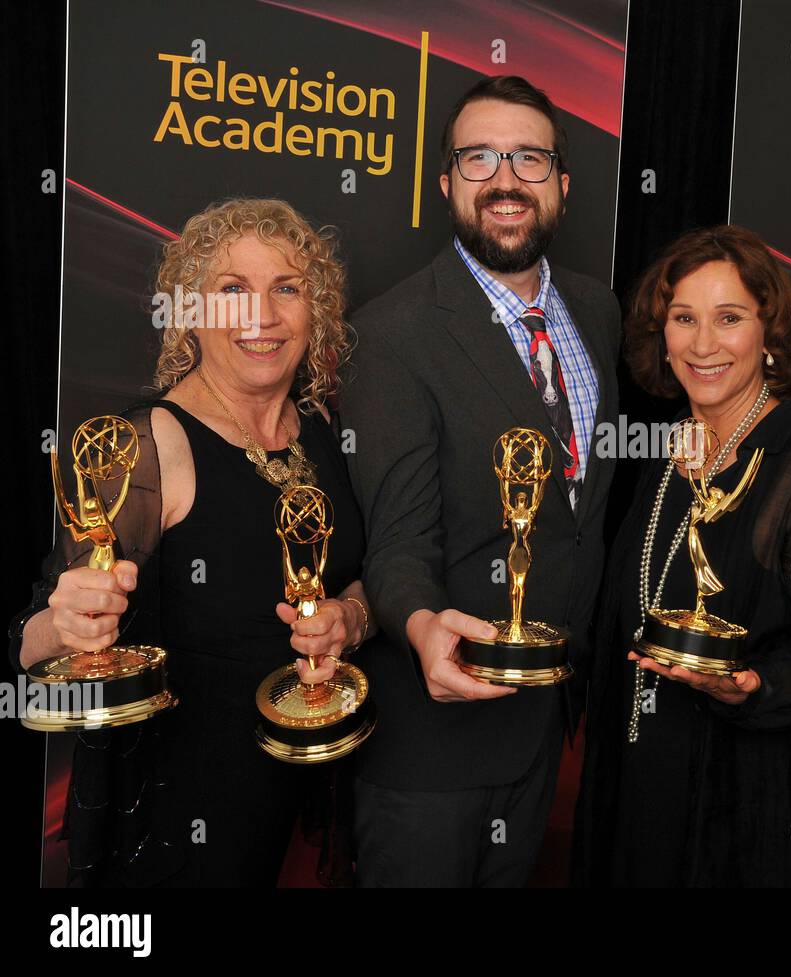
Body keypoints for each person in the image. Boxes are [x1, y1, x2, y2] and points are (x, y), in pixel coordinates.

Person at [10, 198, 375, 886]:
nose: (260, 316)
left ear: (316, 311)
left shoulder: (320, 429)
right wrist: (62, 625)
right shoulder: (153, 443)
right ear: (190, 313)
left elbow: (355, 579)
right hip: (188, 826)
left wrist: (348, 620)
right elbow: (29, 641)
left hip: (309, 804)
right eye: (231, 290)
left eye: (286, 288)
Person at [342, 75, 622, 886]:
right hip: (432, 739)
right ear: (446, 182)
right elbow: (397, 535)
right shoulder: (390, 334)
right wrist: (423, 623)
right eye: (479, 157)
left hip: (549, 725)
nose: (505, 178)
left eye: (529, 156)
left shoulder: (598, 312)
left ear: (563, 184)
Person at [573, 225, 791, 887]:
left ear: (769, 333)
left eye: (728, 318)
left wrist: (749, 684)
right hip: (637, 776)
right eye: (684, 318)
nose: (702, 344)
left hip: (745, 805)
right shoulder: (667, 450)